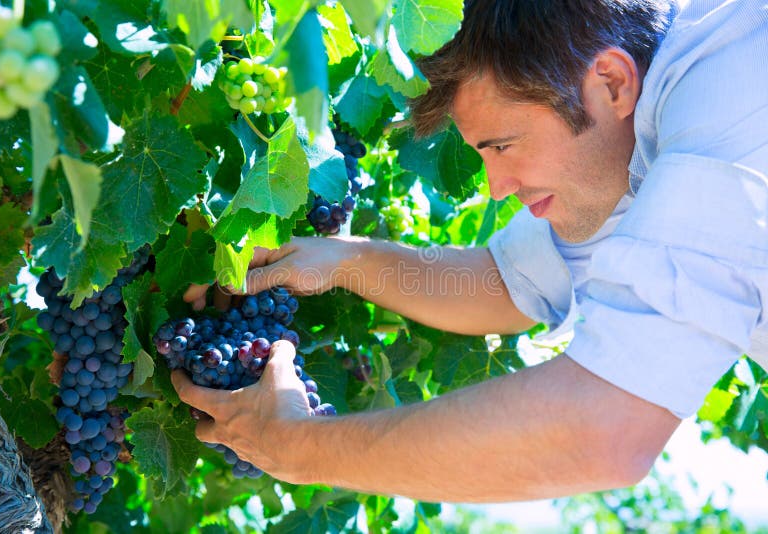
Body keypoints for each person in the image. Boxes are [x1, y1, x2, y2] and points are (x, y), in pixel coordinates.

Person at [174, 0, 768, 502]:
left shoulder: (735, 91)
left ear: (610, 82)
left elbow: (605, 428)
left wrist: (294, 447)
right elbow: (506, 284)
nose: (497, 187)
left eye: (503, 145)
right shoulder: (632, 148)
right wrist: (343, 261)